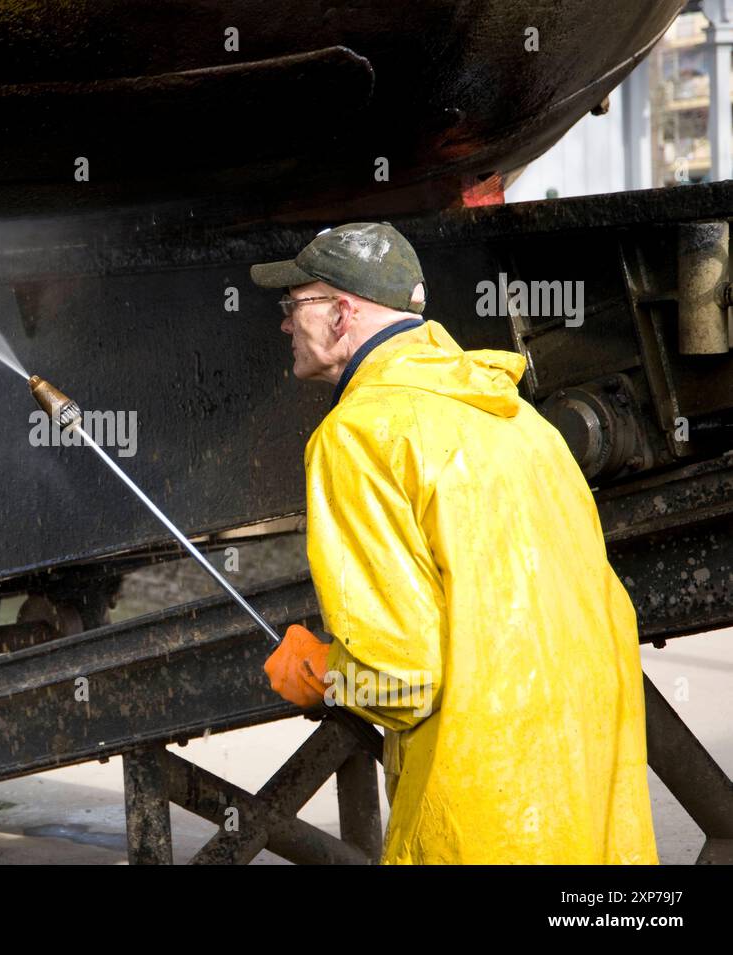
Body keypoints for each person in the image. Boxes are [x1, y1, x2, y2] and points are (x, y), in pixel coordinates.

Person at [251, 222, 657, 864]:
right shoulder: (517, 417)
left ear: (341, 314)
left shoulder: (359, 436)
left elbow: (402, 678)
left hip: (480, 805)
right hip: (588, 789)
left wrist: (322, 673)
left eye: (292, 305)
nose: (282, 325)